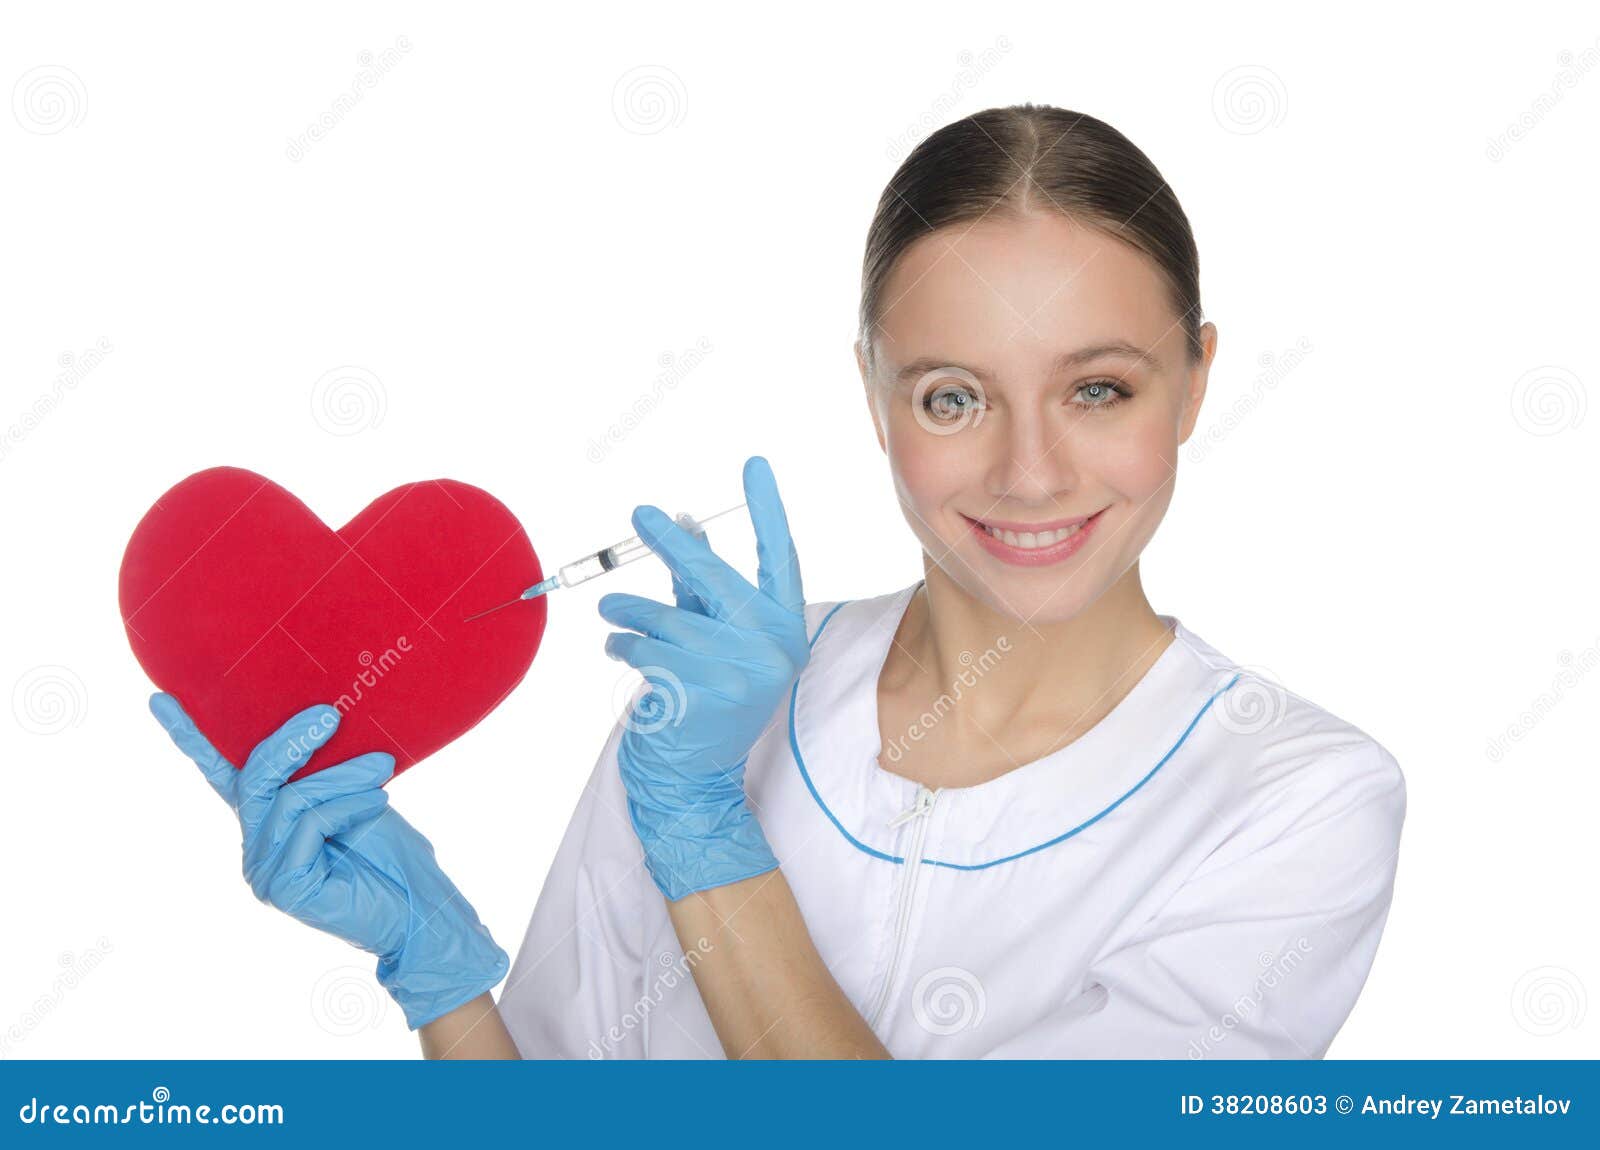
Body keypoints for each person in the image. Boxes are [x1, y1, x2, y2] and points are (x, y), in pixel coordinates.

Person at [152, 103, 1405, 1059]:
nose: (1030, 472)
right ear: (871, 392)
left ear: (1194, 378)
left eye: (1098, 389)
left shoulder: (1294, 799)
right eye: (952, 396)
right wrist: (439, 970)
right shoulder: (711, 701)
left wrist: (704, 836)